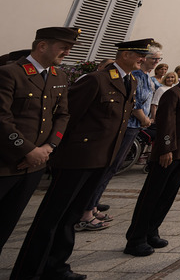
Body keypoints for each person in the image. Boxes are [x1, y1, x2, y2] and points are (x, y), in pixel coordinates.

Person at [11, 38, 148, 280]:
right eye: (140, 54)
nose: (144, 60)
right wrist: (51, 149)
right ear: (125, 55)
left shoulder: (130, 81)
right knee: (51, 218)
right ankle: (29, 271)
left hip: (101, 159)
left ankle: (56, 265)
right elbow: (67, 116)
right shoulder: (97, 80)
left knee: (72, 215)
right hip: (76, 159)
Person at [0, 27, 75, 254]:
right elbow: (2, 117)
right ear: (42, 46)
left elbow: (63, 115)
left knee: (7, 223)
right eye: (63, 47)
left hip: (35, 166)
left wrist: (48, 148)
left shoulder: (58, 76)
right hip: (5, 164)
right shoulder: (10, 73)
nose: (67, 53)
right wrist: (27, 150)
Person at [123, 56, 180, 256]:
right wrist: (166, 149)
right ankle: (136, 238)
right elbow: (166, 124)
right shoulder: (173, 94)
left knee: (167, 195)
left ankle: (152, 231)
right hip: (168, 153)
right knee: (152, 195)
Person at [79, 41, 161, 231]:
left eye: (158, 58)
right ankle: (86, 210)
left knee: (110, 168)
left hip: (131, 127)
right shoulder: (136, 76)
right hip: (129, 125)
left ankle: (91, 206)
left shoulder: (144, 77)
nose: (156, 61)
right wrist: (144, 119)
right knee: (107, 168)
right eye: (153, 58)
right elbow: (134, 103)